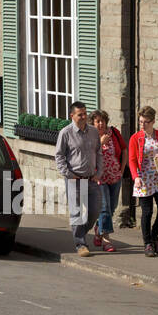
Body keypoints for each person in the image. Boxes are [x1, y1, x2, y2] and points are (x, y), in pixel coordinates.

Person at [55, 101, 101, 257]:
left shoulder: (94, 132)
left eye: (85, 113)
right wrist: (68, 174)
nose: (84, 117)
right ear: (72, 116)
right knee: (77, 213)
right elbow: (59, 156)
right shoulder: (65, 133)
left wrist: (99, 172)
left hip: (92, 179)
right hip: (75, 179)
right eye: (80, 114)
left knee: (94, 211)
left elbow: (99, 153)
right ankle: (80, 244)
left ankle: (80, 233)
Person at [129, 105, 158, 257]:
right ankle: (147, 243)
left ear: (153, 121)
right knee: (147, 212)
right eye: (141, 121)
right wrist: (136, 177)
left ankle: (154, 235)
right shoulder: (135, 138)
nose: (142, 125)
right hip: (143, 179)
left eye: (146, 122)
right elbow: (132, 160)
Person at [91, 110, 125, 252]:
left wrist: (122, 171)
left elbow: (124, 150)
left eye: (102, 121)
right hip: (99, 178)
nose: (100, 124)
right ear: (93, 123)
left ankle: (99, 228)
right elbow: (87, 155)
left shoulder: (114, 133)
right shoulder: (90, 137)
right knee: (104, 207)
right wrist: (100, 142)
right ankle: (106, 240)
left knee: (112, 207)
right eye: (97, 121)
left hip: (115, 176)